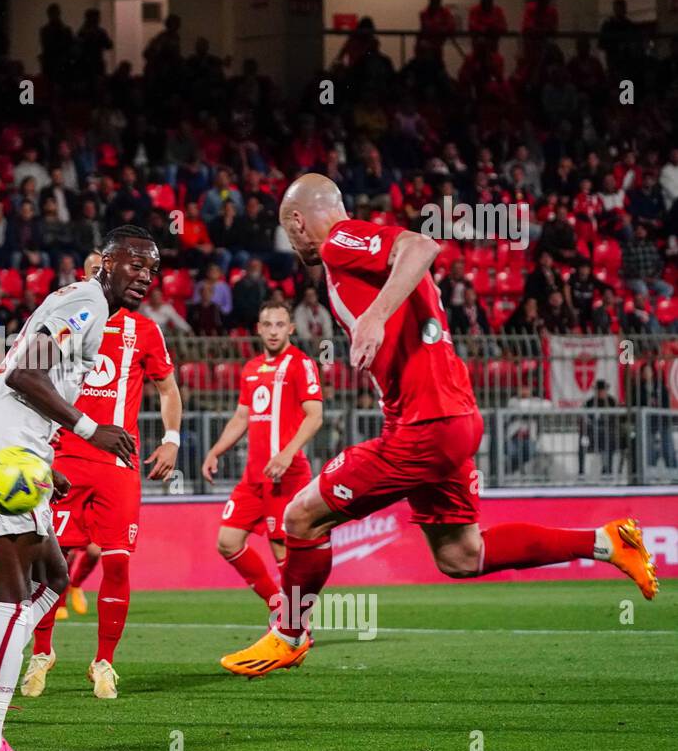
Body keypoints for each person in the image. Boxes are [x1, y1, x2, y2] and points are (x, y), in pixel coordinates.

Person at [219, 174, 657, 677]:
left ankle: (289, 634)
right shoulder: (354, 261)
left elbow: (421, 243)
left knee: (300, 517)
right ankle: (607, 541)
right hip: (453, 419)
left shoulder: (340, 241)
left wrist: (376, 316)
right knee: (460, 555)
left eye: (288, 230)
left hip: (425, 426)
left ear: (298, 221)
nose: (291, 243)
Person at [0, 226, 151, 751]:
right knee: (12, 596)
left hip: (7, 449)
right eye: (135, 265)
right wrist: (90, 429)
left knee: (54, 579)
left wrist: (49, 464)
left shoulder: (83, 305)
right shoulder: (85, 300)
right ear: (105, 264)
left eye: (152, 270)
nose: (145, 278)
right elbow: (23, 374)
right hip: (0, 448)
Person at [27, 250, 183, 699]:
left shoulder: (144, 330)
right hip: (64, 462)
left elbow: (167, 387)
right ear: (90, 274)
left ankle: (104, 662)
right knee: (47, 565)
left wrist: (171, 438)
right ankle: (42, 652)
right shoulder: (64, 319)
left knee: (117, 562)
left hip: (117, 464)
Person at [202, 303, 324, 653]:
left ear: (291, 329)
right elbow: (241, 417)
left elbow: (314, 415)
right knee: (227, 541)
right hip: (253, 477)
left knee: (282, 548)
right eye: (267, 324)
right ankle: (278, 607)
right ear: (258, 328)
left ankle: (297, 626)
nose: (273, 330)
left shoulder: (301, 364)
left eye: (280, 324)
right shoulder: (252, 368)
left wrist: (287, 453)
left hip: (286, 474)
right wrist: (216, 450)